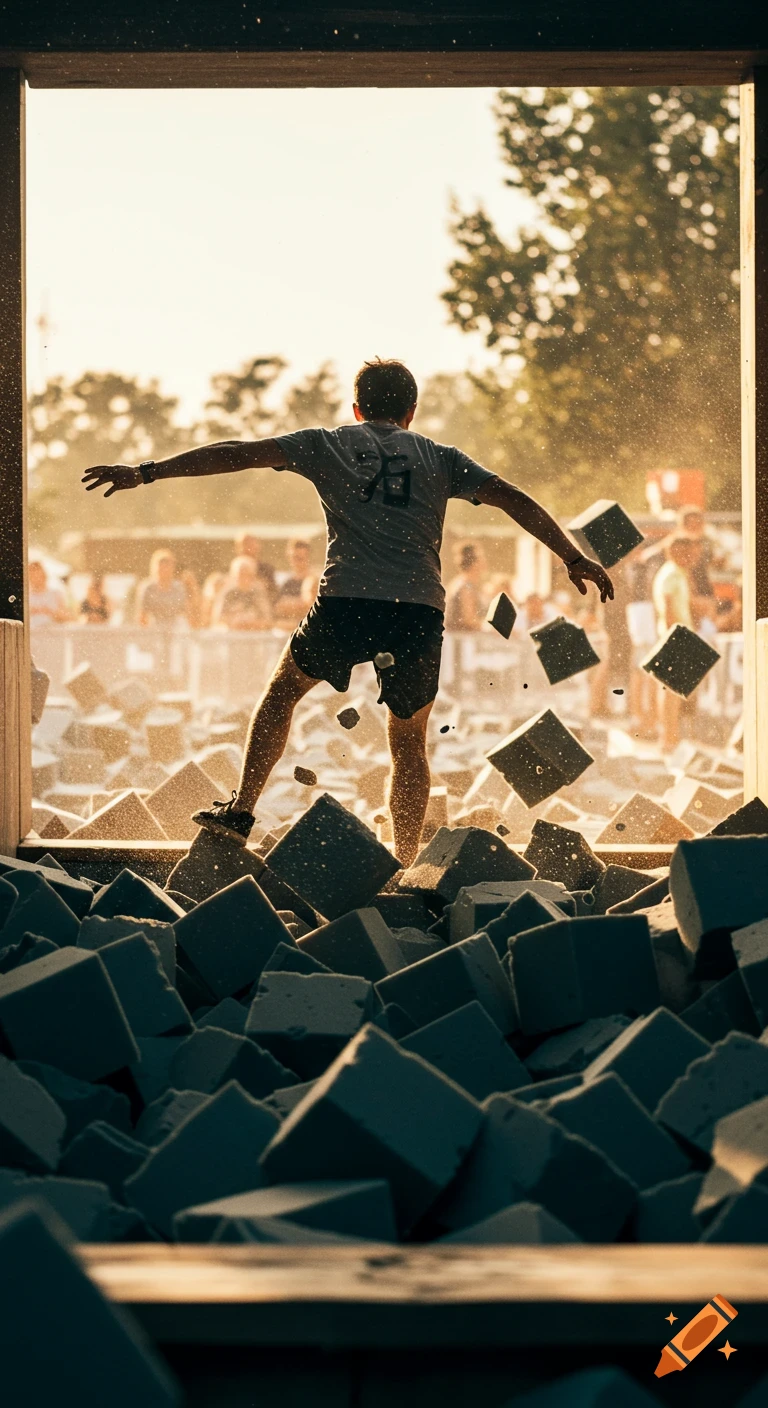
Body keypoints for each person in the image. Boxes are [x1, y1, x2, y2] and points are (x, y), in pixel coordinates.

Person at [83, 357, 613, 867]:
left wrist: (146, 472)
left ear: (356, 408)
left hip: (346, 602)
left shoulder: (326, 444)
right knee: (408, 742)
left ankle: (242, 809)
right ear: (411, 413)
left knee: (283, 693)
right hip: (417, 612)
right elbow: (510, 496)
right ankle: (404, 865)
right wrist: (571, 556)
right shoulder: (441, 457)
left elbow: (236, 453)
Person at [651, 535, 700, 752]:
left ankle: (671, 738)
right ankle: (669, 740)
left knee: (673, 693)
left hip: (676, 635)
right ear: (673, 552)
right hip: (674, 636)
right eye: (685, 552)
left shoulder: (677, 573)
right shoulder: (671, 574)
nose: (690, 557)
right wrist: (676, 637)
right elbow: (669, 608)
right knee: (671, 694)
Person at [214, 554, 273, 630]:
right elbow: (218, 619)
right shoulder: (227, 593)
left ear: (253, 576)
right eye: (240, 574)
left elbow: (268, 620)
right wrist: (234, 622)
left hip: (255, 634)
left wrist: (252, 624)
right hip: (232, 634)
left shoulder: (258, 594)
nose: (244, 578)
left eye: (247, 574)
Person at [137, 549, 189, 628]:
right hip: (154, 628)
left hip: (175, 628)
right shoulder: (147, 588)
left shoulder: (179, 587)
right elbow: (142, 614)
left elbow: (185, 611)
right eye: (161, 564)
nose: (164, 568)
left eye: (167, 564)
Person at [444, 541, 486, 631]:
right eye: (481, 558)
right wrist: (491, 627)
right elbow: (469, 620)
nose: (484, 561)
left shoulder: (459, 582)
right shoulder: (466, 587)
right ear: (474, 563)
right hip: (462, 640)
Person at [273, 539, 314, 627]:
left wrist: (290, 605)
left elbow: (311, 607)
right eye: (294, 557)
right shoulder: (285, 582)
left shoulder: (315, 581)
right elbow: (278, 608)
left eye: (300, 558)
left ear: (308, 557)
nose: (296, 562)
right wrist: (300, 604)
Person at [235, 532, 277, 603]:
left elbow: (273, 593)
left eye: (250, 544)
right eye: (243, 544)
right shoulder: (232, 569)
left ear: (258, 547)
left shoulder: (267, 569)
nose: (246, 548)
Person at [28, 559, 70, 626]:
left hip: (53, 633)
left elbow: (67, 617)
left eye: (37, 574)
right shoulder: (26, 597)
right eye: (32, 575)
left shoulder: (55, 593)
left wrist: (49, 612)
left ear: (44, 575)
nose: (35, 578)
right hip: (32, 633)